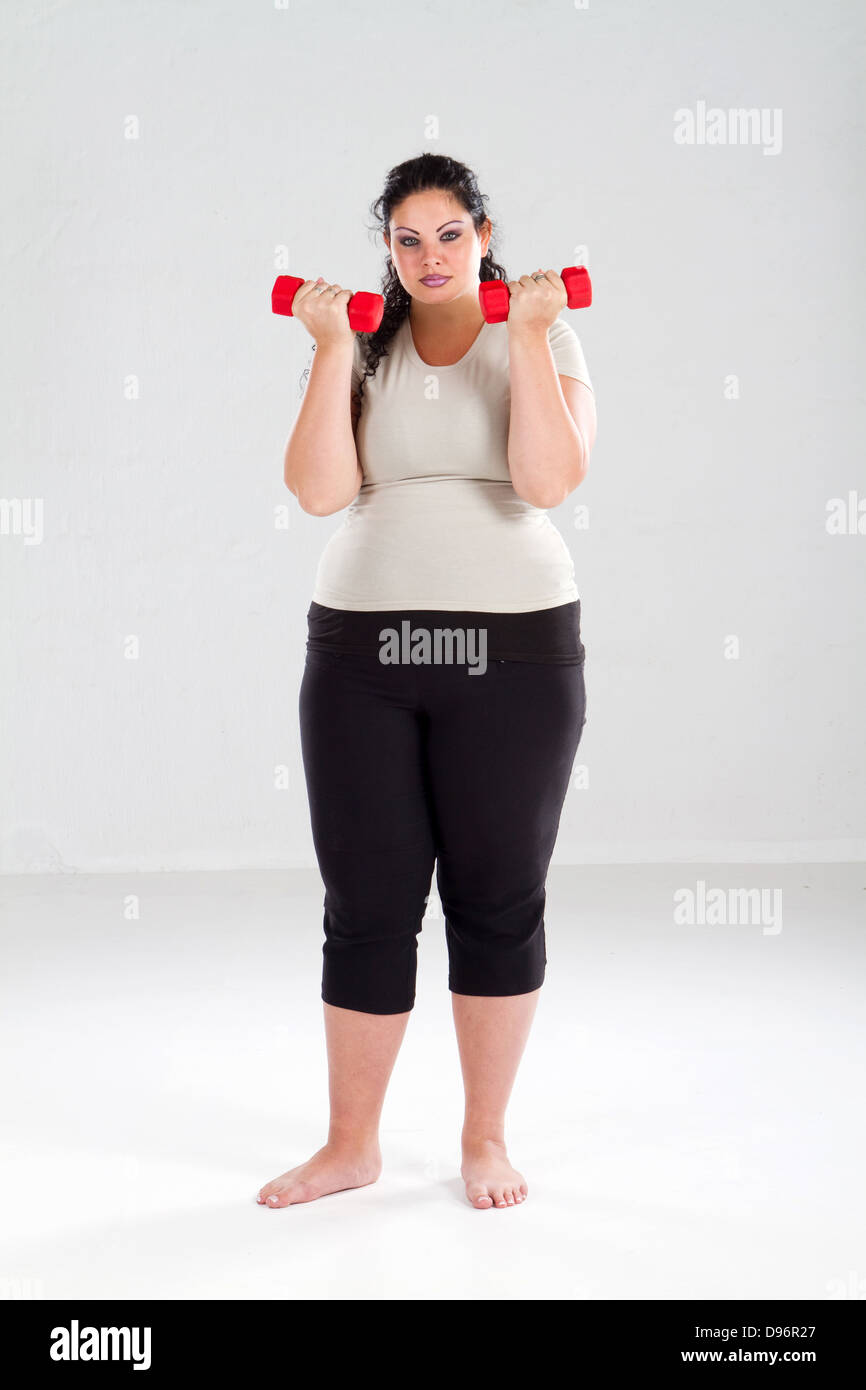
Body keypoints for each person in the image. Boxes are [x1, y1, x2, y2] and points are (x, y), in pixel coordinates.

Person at [257, 153, 597, 1212]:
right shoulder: (359, 339)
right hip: (362, 656)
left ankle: (483, 1139)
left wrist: (532, 334)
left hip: (514, 655)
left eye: (449, 233)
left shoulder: (541, 330)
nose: (429, 255)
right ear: (388, 253)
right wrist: (324, 348)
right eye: (407, 239)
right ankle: (349, 1142)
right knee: (365, 905)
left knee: (495, 901)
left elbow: (546, 480)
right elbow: (318, 490)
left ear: (484, 234)